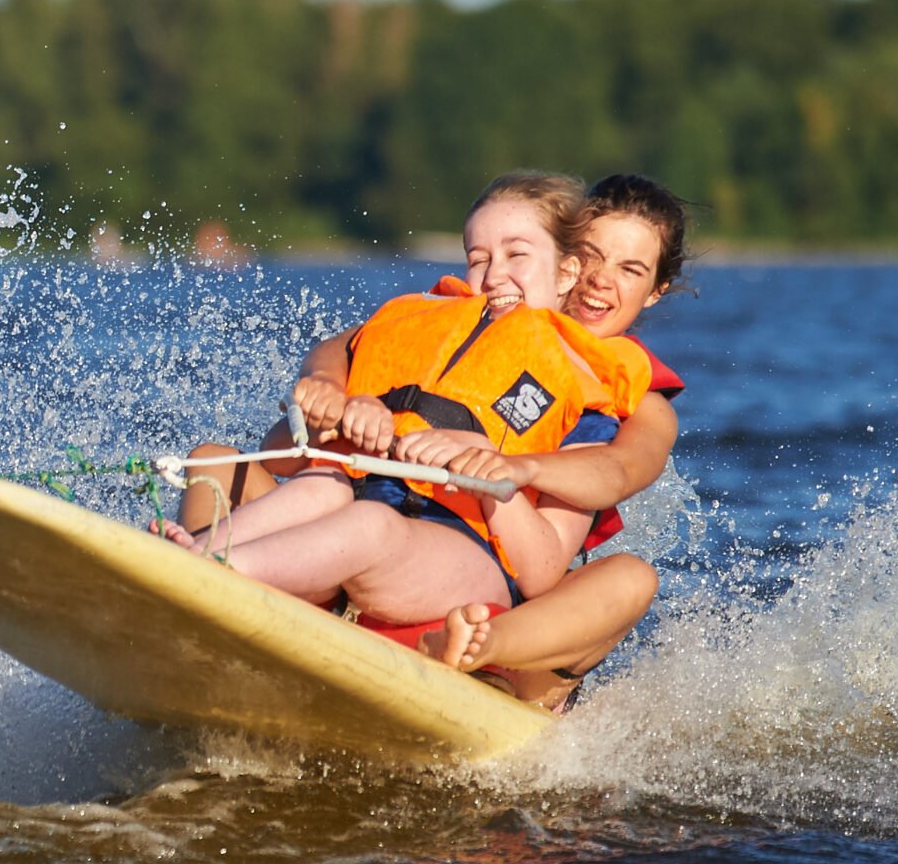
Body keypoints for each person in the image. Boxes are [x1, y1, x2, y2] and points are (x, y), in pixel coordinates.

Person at [175, 171, 693, 709]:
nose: (597, 279)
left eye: (629, 269)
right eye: (589, 255)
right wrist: (337, 395)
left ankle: (496, 666)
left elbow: (614, 472)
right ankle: (194, 605)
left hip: (489, 577)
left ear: (655, 291)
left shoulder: (624, 398)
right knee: (216, 461)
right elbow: (343, 351)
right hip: (378, 529)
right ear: (566, 259)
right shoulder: (464, 317)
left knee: (630, 577)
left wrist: (513, 469)